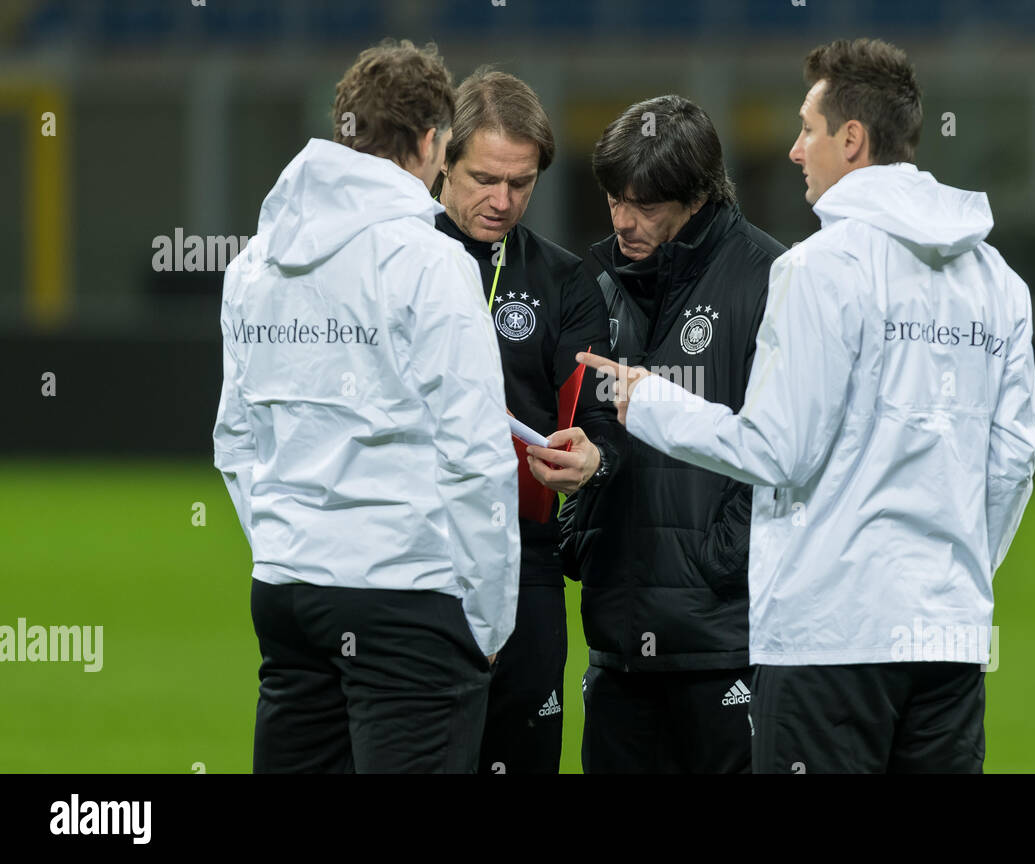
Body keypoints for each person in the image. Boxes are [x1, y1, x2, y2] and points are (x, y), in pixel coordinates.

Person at [578, 38, 1035, 773]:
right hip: (948, 638)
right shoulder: (998, 281)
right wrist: (950, 576)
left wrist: (647, 402)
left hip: (830, 641)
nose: (796, 151)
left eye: (808, 129)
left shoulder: (819, 268)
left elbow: (775, 449)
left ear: (851, 140)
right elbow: (1013, 462)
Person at [213, 39, 519, 774]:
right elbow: (476, 455)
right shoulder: (431, 263)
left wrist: (287, 549)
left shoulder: (254, 263)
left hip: (289, 597)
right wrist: (488, 615)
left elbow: (235, 441)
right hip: (405, 598)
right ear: (429, 141)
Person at [558, 95, 786, 773]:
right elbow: (580, 425)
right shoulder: (594, 284)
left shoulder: (771, 280)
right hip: (616, 639)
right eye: (613, 200)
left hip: (723, 643)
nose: (625, 220)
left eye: (646, 204)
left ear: (696, 197)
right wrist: (582, 527)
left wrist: (722, 560)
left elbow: (788, 444)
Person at [433, 67, 622, 774]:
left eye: (521, 183)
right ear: (441, 160)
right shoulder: (392, 267)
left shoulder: (565, 279)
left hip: (526, 561)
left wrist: (593, 458)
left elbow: (599, 418)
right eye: (484, 178)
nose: (503, 200)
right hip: (414, 558)